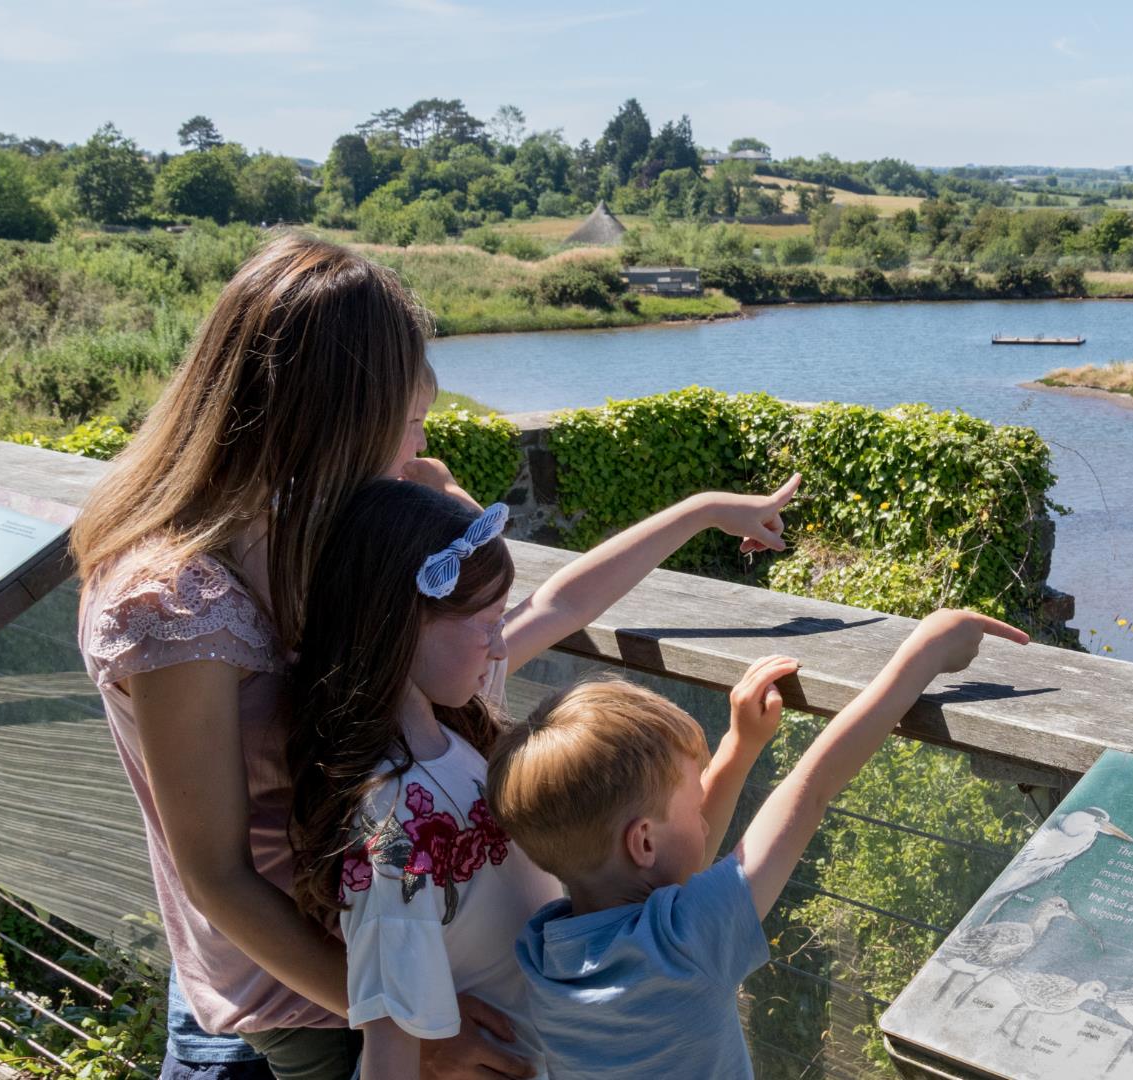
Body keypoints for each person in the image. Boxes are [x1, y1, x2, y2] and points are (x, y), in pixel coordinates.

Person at [73, 234, 524, 1080]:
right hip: (302, 1006)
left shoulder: (294, 539)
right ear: (338, 415)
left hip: (356, 973)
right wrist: (415, 1029)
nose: (417, 450)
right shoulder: (174, 603)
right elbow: (217, 874)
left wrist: (434, 507)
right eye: (410, 421)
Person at [286, 474, 799, 1080]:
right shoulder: (391, 829)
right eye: (486, 622)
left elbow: (567, 600)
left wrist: (702, 509)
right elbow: (389, 1051)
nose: (501, 646)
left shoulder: (465, 723)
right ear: (402, 624)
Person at [487, 607, 1027, 1077]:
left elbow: (677, 868)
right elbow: (810, 787)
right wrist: (927, 650)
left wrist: (740, 747)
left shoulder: (546, 951)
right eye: (692, 799)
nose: (704, 810)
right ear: (643, 843)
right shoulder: (686, 942)